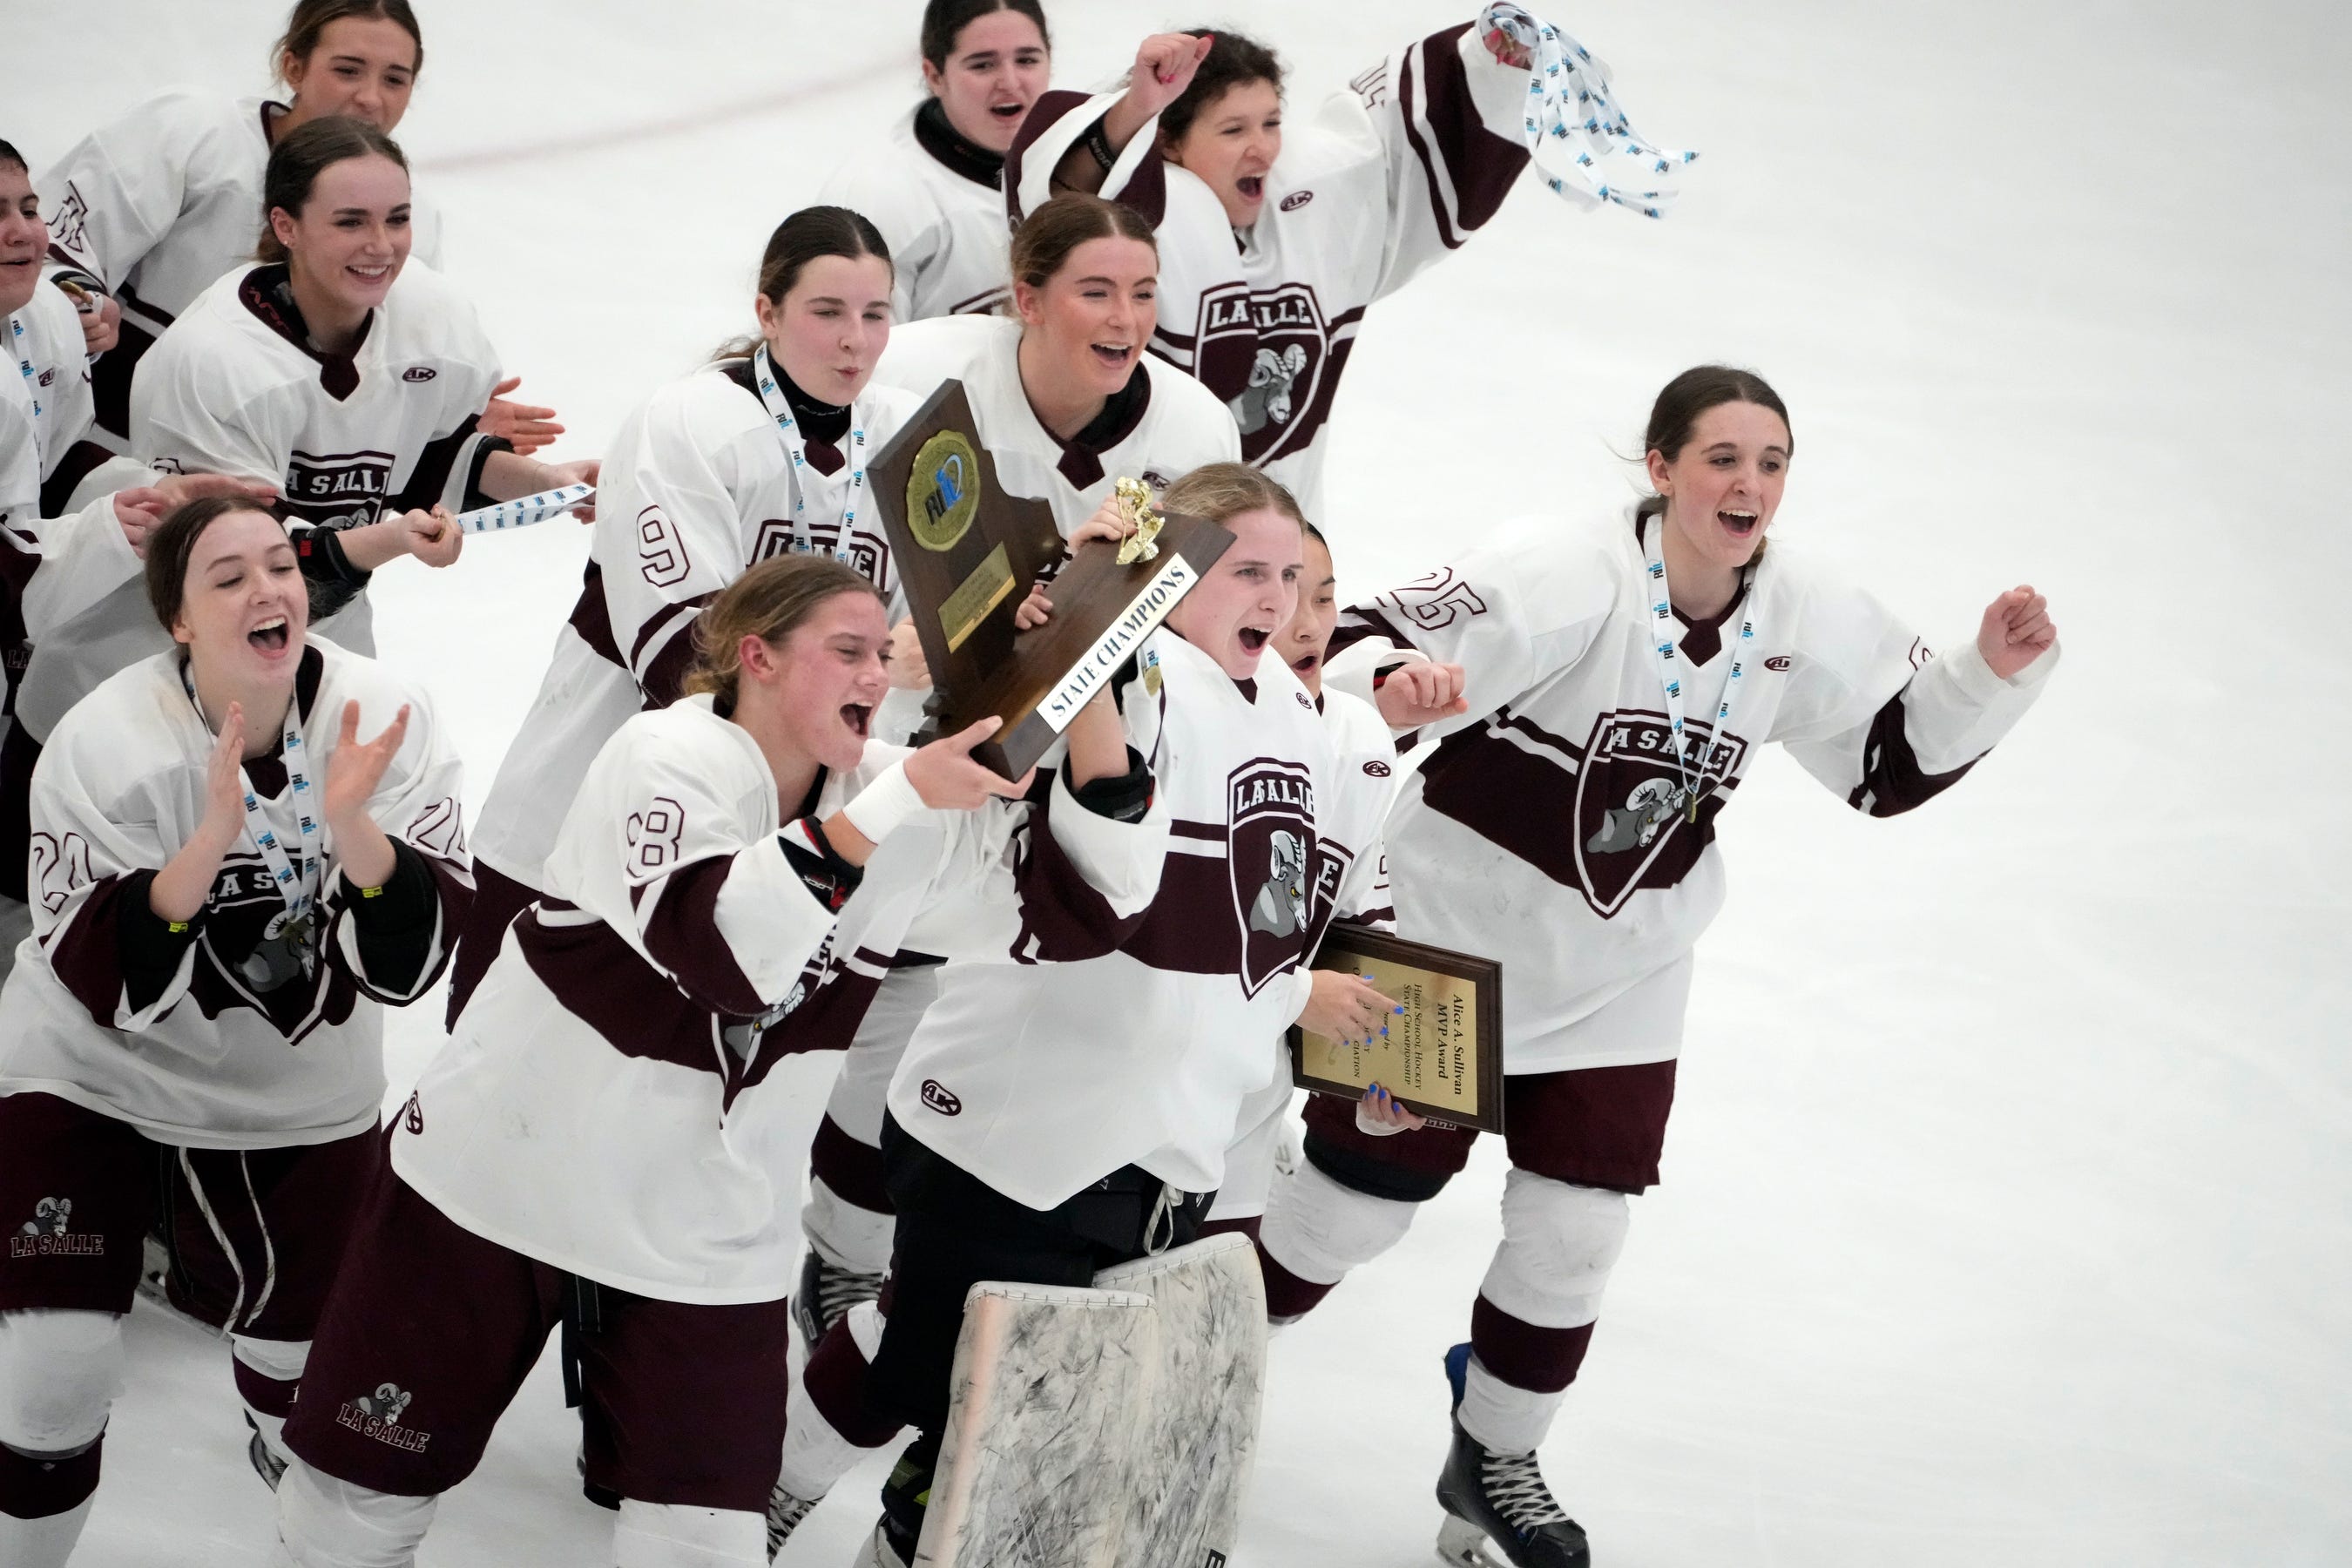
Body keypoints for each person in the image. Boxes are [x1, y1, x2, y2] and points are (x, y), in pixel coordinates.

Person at [1250, 365, 2061, 1568]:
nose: (1749, 484)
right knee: (1349, 1213)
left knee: (1577, 1231)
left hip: (1623, 972)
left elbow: (1883, 767)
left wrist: (1985, 674)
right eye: (1723, 457)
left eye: (1772, 462)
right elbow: (1355, 640)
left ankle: (1495, 1456)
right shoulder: (1562, 569)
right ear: (1662, 467)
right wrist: (1398, 689)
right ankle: (1179, 1368)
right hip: (1438, 934)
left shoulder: (1806, 610)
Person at [274, 553, 1153, 1568]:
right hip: (496, 1189)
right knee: (355, 1507)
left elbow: (1086, 913)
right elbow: (725, 954)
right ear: (757, 659)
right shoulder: (665, 755)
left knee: (705, 1547)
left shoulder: (890, 805)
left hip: (703, 1232)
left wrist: (1094, 671)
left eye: (883, 656)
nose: (877, 675)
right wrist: (896, 799)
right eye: (848, 652)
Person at [769, 463, 1451, 1567]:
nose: (1278, 602)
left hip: (1167, 1137)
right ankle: (774, 1489)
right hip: (1012, 1118)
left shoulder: (1324, 731)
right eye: (1248, 573)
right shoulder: (1140, 679)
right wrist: (1078, 591)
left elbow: (1320, 930)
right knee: (927, 1368)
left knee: (1014, 1406)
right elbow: (1109, 888)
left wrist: (1380, 1072)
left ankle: (859, 1525)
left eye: (1297, 578)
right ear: (1171, 574)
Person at [787, 190, 1241, 1354]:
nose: (1127, 316)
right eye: (1097, 290)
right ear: (1024, 298)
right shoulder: (924, 374)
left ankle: (845, 1255)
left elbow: (1182, 601)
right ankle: (777, 1243)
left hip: (1053, 755)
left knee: (927, 1006)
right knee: (826, 991)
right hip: (882, 725)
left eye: (1144, 292)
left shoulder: (1190, 425)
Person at [0, 496, 470, 1567]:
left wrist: (356, 833)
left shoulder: (386, 720)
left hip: (295, 1098)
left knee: (301, 1382)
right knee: (50, 1371)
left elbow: (413, 965)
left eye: (281, 566)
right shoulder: (108, 742)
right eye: (228, 577)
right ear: (176, 619)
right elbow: (93, 977)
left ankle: (283, 1447)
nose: (268, 589)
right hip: (92, 1075)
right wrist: (205, 846)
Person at [450, 206, 923, 1021]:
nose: (856, 340)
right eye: (827, 312)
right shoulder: (688, 424)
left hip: (784, 844)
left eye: (875, 314)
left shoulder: (907, 436)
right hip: (587, 821)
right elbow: (683, 664)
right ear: (767, 314)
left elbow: (964, 615)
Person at [1010, 3, 1665, 519]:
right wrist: (1136, 110)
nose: (1263, 148)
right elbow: (1059, 196)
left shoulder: (1312, 199)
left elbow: (1398, 157)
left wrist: (1495, 63)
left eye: (1271, 122)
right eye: (1234, 130)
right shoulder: (1137, 221)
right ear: (1170, 146)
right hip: (1117, 522)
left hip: (1275, 538)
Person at [33, 0, 557, 471]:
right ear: (293, 66)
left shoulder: (406, 220)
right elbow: (49, 249)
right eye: (348, 71)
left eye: (396, 80)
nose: (371, 99)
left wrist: (445, 419)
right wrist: (73, 301)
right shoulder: (196, 135)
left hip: (248, 491)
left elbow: (371, 378)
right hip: (81, 460)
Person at [0, 144, 277, 982]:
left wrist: (152, 493)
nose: (22, 235)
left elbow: (52, 461)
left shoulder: (42, 316)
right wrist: (109, 531)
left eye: (27, 208)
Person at [1200, 514, 1432, 1245]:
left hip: (1243, 1107)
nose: (1305, 625)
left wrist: (1379, 1070)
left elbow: (1356, 916)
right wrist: (1298, 994)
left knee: (1196, 1342)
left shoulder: (1358, 737)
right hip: (1121, 1095)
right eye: (1276, 589)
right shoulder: (1171, 715)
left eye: (1322, 597)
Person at [817, 0, 1052, 321]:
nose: (1010, 82)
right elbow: (841, 356)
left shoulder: (1079, 162)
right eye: (982, 65)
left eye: (1027, 60)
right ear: (935, 76)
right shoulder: (880, 199)